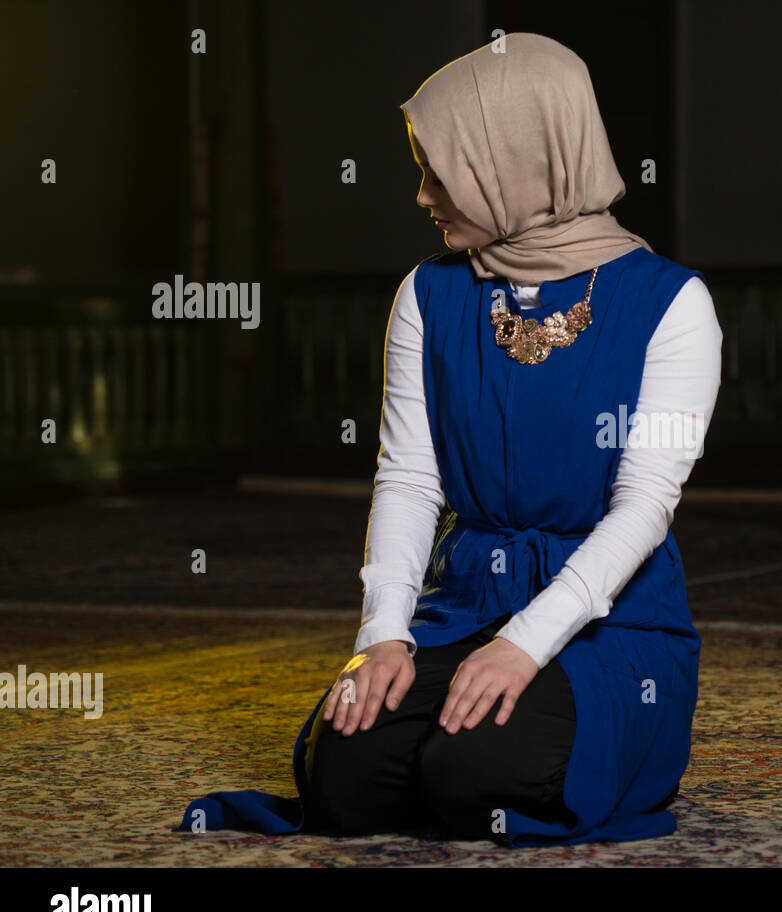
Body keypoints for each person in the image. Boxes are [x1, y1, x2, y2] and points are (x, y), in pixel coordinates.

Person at [176, 32, 722, 847]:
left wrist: (521, 646)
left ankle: (579, 744)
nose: (422, 197)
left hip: (609, 628)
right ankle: (450, 736)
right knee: (342, 776)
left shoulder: (673, 305)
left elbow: (642, 507)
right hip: (463, 601)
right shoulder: (427, 296)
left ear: (513, 162)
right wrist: (384, 636)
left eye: (440, 172)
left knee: (477, 773)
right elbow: (406, 479)